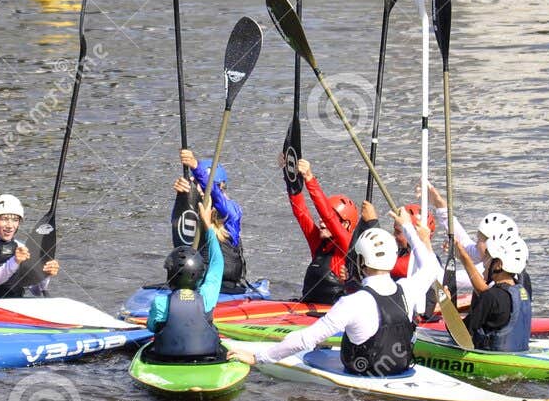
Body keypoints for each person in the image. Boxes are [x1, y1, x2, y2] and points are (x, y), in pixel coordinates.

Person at [228, 209, 439, 377]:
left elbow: (305, 340)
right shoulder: (408, 289)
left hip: (361, 375)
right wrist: (408, 229)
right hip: (401, 370)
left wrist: (258, 357)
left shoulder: (353, 303)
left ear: (361, 261)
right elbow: (430, 266)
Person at [143, 196, 226, 362]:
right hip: (207, 356)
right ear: (199, 275)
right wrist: (208, 226)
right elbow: (218, 262)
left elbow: (151, 327)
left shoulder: (160, 302)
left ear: (170, 275)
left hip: (165, 357)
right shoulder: (207, 296)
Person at [425, 184, 533, 302]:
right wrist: (439, 204)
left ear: (493, 244)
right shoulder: (501, 261)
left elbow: (439, 278)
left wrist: (424, 244)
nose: (475, 244)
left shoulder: (491, 269)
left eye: (479, 240)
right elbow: (464, 243)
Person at [288, 157, 359, 303]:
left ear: (345, 224)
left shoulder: (347, 245)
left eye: (325, 218)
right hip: (307, 307)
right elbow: (300, 212)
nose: (321, 221)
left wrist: (309, 178)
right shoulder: (318, 244)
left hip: (333, 310)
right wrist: (291, 176)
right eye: (320, 218)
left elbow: (328, 216)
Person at [178, 149, 247, 292]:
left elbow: (215, 194)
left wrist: (195, 166)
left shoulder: (231, 211)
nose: (198, 188)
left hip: (226, 286)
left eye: (201, 184)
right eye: (196, 183)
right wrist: (181, 198)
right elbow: (178, 237)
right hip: (198, 283)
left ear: (220, 186)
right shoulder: (195, 208)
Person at [0, 194, 58, 298]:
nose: (10, 225)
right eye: (4, 219)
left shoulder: (20, 246)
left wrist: (45, 274)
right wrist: (15, 261)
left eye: (15, 220)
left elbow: (36, 290)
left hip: (13, 303)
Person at [456, 229, 532, 352]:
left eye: (487, 256)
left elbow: (459, 334)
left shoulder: (490, 297)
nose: (483, 263)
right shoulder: (522, 291)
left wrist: (446, 303)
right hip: (519, 351)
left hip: (493, 356)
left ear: (498, 265)